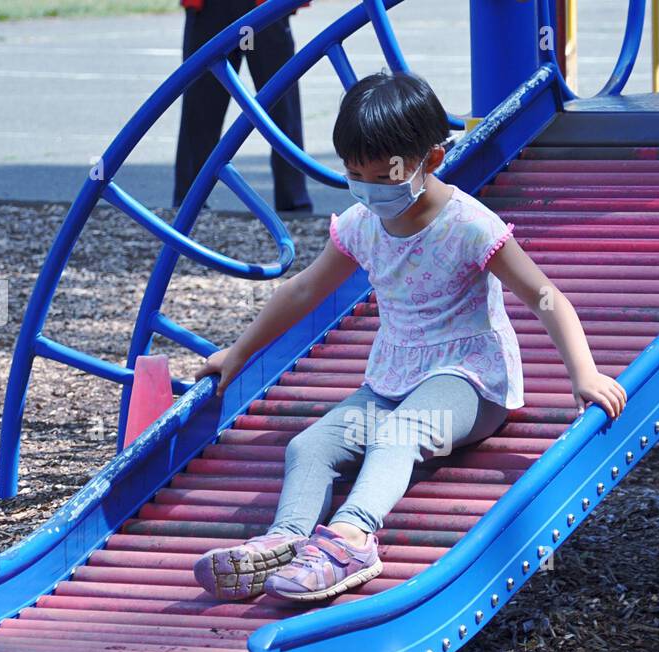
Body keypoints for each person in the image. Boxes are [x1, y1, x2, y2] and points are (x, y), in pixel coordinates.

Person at [193, 70, 627, 603]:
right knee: (310, 446)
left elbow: (545, 296)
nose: (369, 190)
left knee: (399, 433)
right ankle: (285, 541)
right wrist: (238, 352)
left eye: (382, 178)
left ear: (432, 161)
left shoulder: (469, 226)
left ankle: (353, 536)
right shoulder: (362, 223)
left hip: (469, 380)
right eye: (355, 175)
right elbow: (305, 290)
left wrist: (583, 373)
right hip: (393, 378)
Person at [174, 0, 313, 213]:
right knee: (199, 109)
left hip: (264, 5)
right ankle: (188, 205)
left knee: (282, 111)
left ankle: (294, 205)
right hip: (211, 9)